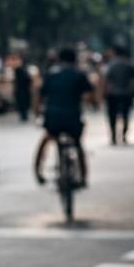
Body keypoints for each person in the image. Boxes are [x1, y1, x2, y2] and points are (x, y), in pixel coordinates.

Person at [35, 46, 97, 188]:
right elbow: (89, 96)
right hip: (73, 118)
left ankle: (38, 171)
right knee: (78, 143)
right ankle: (83, 176)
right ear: (74, 59)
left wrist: (37, 113)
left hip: (52, 118)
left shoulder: (50, 74)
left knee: (46, 140)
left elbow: (40, 94)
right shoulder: (79, 74)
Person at [100, 44, 134, 145]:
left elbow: (105, 81)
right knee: (126, 115)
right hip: (126, 94)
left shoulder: (110, 65)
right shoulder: (130, 65)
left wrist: (103, 94)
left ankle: (113, 137)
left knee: (112, 116)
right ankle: (123, 136)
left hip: (112, 94)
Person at [10, 51, 34, 121]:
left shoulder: (21, 69)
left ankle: (24, 115)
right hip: (21, 89)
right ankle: (23, 115)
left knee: (23, 102)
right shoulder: (18, 70)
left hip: (23, 88)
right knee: (22, 103)